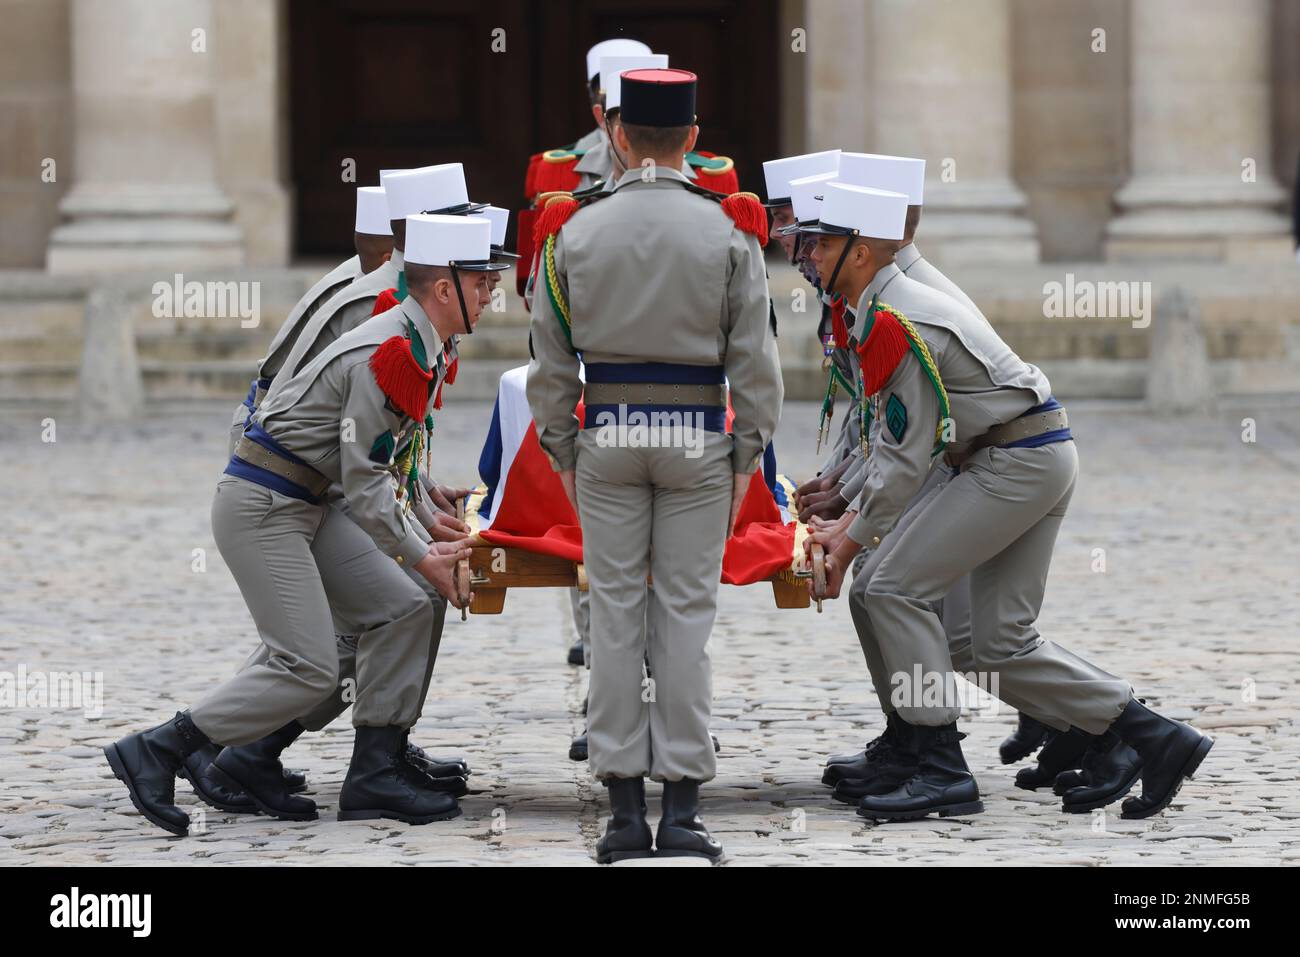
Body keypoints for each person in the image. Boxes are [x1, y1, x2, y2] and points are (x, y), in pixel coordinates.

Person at [800, 183, 1213, 821]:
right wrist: (846, 507)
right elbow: (890, 434)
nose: (807, 255)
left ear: (862, 253)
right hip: (1014, 454)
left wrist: (849, 539)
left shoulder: (897, 319)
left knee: (889, 588)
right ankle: (1152, 736)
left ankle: (937, 766)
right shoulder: (878, 305)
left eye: (822, 243)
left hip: (1014, 461)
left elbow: (908, 455)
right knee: (987, 643)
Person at [103, 215, 506, 835]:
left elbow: (386, 461)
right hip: (265, 508)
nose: (491, 293)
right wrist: (422, 552)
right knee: (308, 665)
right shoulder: (389, 350)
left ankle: (373, 771)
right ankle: (161, 747)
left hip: (307, 504)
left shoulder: (419, 339)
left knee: (402, 607)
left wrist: (426, 531)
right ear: (445, 288)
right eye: (482, 281)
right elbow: (366, 480)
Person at [526, 67, 782, 862]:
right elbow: (758, 365)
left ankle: (624, 812)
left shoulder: (572, 228)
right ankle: (682, 810)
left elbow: (549, 364)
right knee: (684, 618)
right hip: (698, 430)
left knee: (611, 617)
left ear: (619, 135)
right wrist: (746, 457)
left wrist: (567, 450)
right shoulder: (729, 229)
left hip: (608, 428)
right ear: (694, 141)